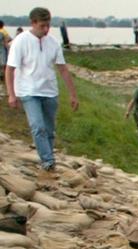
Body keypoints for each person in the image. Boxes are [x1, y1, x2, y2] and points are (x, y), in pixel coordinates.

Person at [5, 7, 78, 172]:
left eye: (48, 26)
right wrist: (11, 94)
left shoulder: (52, 42)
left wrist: (73, 95)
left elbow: (63, 69)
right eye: (42, 26)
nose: (46, 30)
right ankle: (47, 161)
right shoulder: (21, 41)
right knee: (38, 126)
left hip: (49, 91)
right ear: (33, 23)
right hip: (28, 91)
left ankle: (48, 155)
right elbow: (10, 69)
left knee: (50, 129)